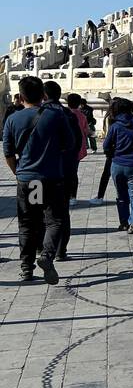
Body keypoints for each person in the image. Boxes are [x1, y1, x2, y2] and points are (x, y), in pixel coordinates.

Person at [2, 75, 72, 284]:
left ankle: (26, 268)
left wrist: (19, 173)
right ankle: (47, 256)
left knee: (28, 224)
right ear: (43, 94)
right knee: (55, 220)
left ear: (21, 96)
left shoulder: (13, 119)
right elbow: (69, 143)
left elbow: (8, 153)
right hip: (51, 177)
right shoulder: (56, 116)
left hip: (27, 180)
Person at [43, 81, 82, 260]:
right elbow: (77, 143)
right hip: (64, 174)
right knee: (61, 211)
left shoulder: (36, 114)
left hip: (38, 176)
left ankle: (40, 249)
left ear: (44, 95)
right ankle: (60, 251)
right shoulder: (68, 115)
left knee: (38, 210)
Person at [102, 98, 133, 232]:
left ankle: (123, 222)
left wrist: (111, 155)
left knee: (121, 195)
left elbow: (106, 145)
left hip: (117, 164)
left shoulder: (115, 126)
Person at [64, 94, 90, 210]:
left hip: (64, 148)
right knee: (74, 173)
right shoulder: (82, 116)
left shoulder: (63, 114)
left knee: (64, 173)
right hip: (78, 148)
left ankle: (65, 195)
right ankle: (73, 196)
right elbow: (86, 131)